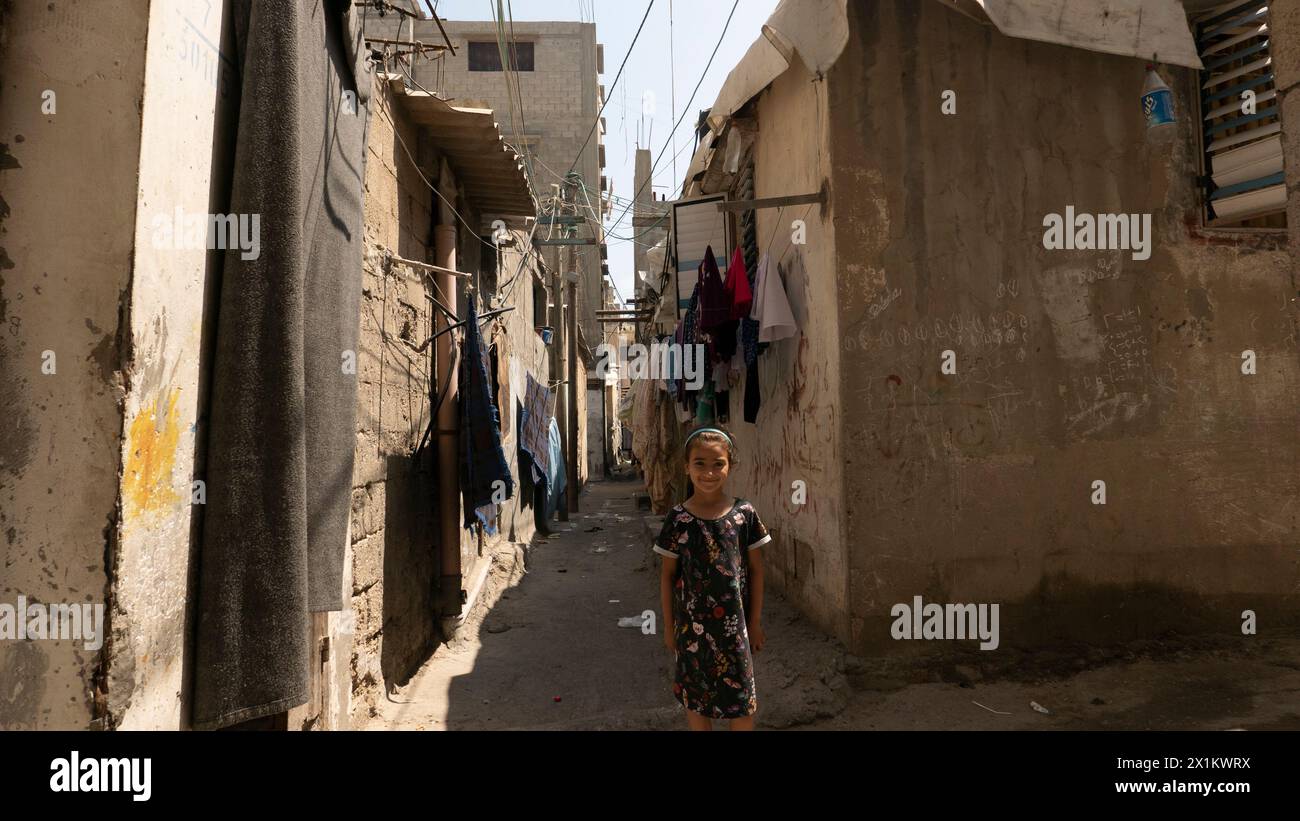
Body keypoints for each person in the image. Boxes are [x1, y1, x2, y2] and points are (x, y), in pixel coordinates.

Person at [653, 424, 771, 730]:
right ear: (686, 467)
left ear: (730, 466)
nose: (709, 472)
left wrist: (755, 623)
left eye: (718, 464)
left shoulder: (744, 515)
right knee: (697, 699)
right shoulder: (678, 519)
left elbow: (757, 571)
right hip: (692, 631)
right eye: (700, 464)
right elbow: (667, 577)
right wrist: (669, 628)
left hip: (735, 630)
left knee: (742, 700)